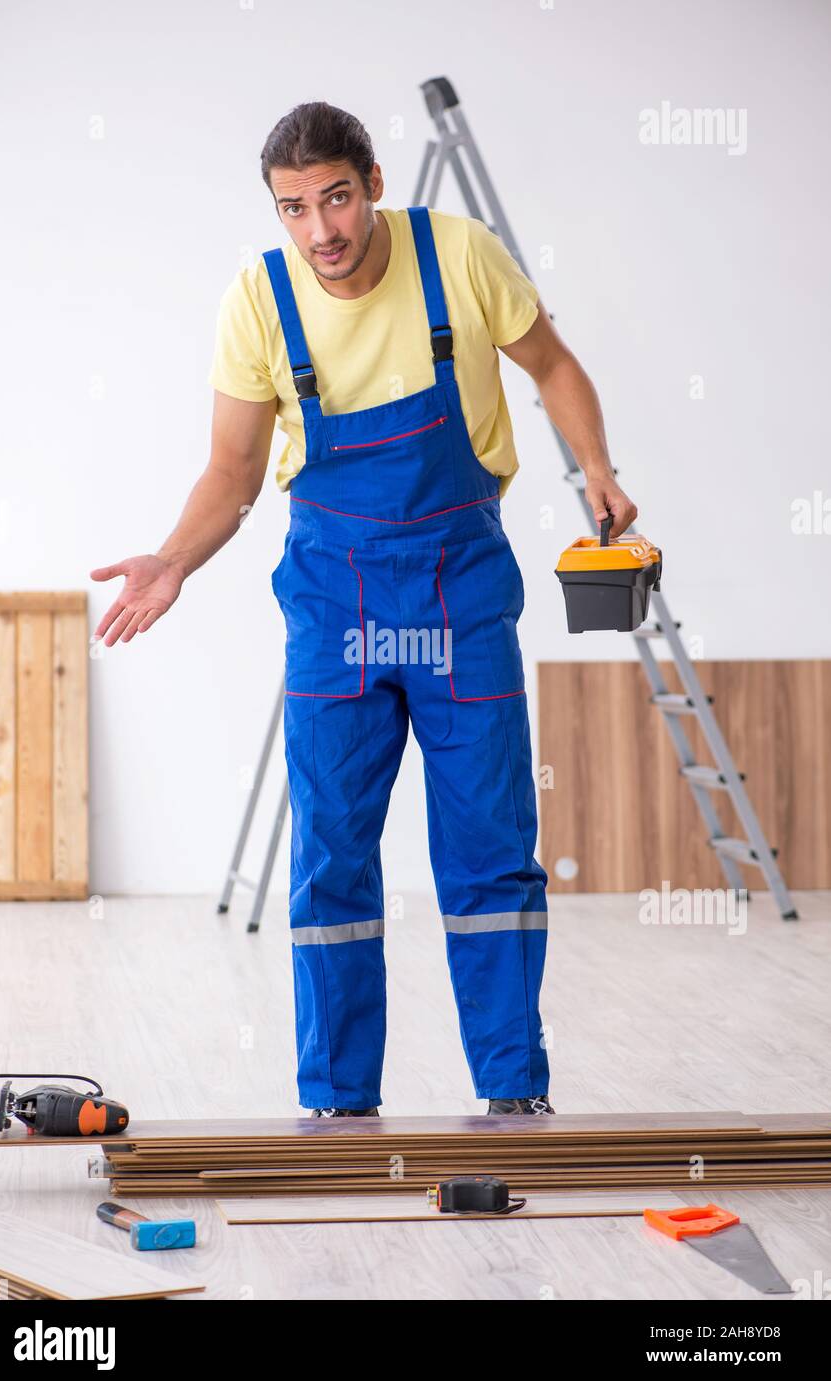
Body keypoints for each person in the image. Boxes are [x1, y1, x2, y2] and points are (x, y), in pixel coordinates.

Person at [91, 101, 638, 1120]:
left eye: (335, 198)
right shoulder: (258, 299)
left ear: (374, 182)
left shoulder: (460, 257)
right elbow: (233, 468)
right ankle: (340, 1106)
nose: (320, 232)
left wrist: (595, 467)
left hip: (461, 593)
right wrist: (173, 561)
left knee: (489, 847)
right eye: (294, 209)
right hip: (335, 599)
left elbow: (552, 364)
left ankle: (514, 1097)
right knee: (334, 854)